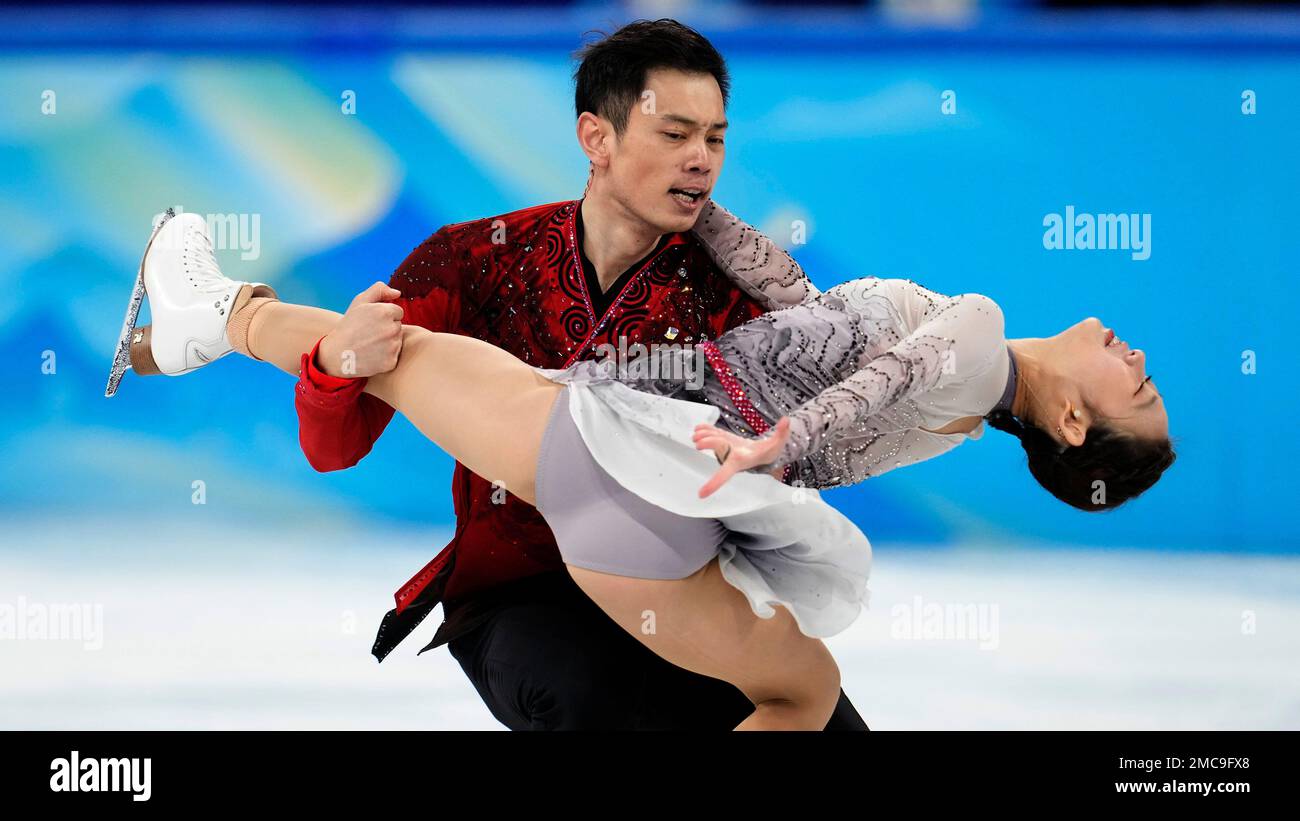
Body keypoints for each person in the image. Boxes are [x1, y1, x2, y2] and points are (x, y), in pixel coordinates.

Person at [110, 185, 1174, 728]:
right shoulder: (950, 416)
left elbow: (857, 386)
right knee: (801, 697)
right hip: (682, 515)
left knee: (395, 351)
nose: (1135, 354)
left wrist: (775, 434)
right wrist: (702, 211)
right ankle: (191, 329)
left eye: (1141, 387)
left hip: (643, 444)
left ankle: (215, 312)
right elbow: (808, 318)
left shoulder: (977, 334)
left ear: (1073, 427)